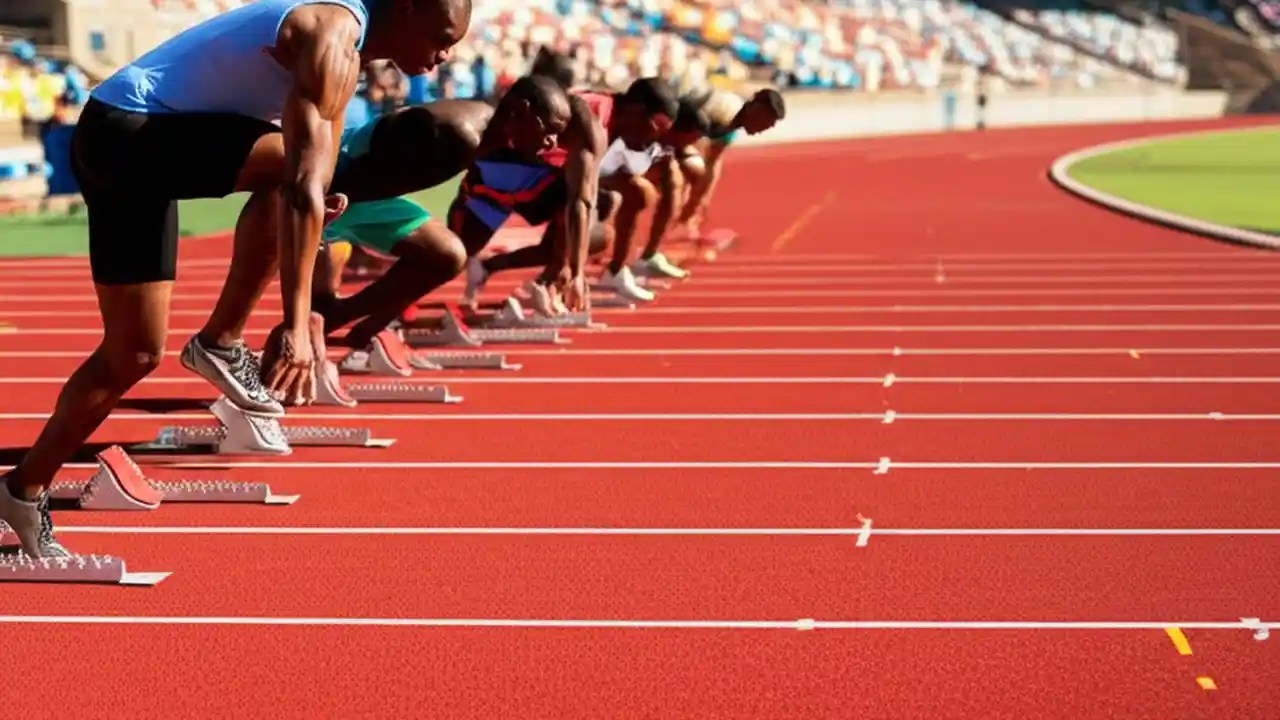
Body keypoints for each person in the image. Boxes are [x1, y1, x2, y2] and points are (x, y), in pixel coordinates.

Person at [0, 0, 470, 559]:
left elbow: (308, 182)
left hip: (128, 145)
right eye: (442, 38)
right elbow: (300, 182)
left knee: (133, 355)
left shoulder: (351, 54)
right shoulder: (332, 33)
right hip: (129, 132)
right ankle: (221, 341)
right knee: (302, 176)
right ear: (410, 8)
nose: (444, 57)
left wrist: (316, 195)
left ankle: (20, 494)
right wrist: (297, 326)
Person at [316, 76, 571, 351]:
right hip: (336, 179)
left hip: (365, 192)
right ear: (522, 110)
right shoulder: (459, 134)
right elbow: (360, 171)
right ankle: (316, 325)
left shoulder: (487, 131)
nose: (552, 143)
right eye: (550, 129)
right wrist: (316, 222)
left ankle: (340, 320)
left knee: (448, 255)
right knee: (325, 262)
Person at [462, 74, 678, 308]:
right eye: (654, 128)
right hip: (500, 176)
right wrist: (576, 270)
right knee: (594, 220)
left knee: (602, 214)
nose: (652, 140)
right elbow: (580, 198)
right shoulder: (595, 123)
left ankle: (538, 280)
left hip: (526, 177)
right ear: (636, 110)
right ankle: (554, 280)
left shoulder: (609, 113)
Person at [662, 88, 785, 251]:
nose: (764, 129)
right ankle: (658, 241)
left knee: (693, 186)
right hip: (657, 131)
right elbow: (692, 156)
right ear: (756, 109)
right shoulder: (724, 110)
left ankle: (676, 227)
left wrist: (700, 201)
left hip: (677, 141)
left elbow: (713, 162)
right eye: (766, 122)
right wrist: (688, 202)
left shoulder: (733, 125)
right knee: (675, 184)